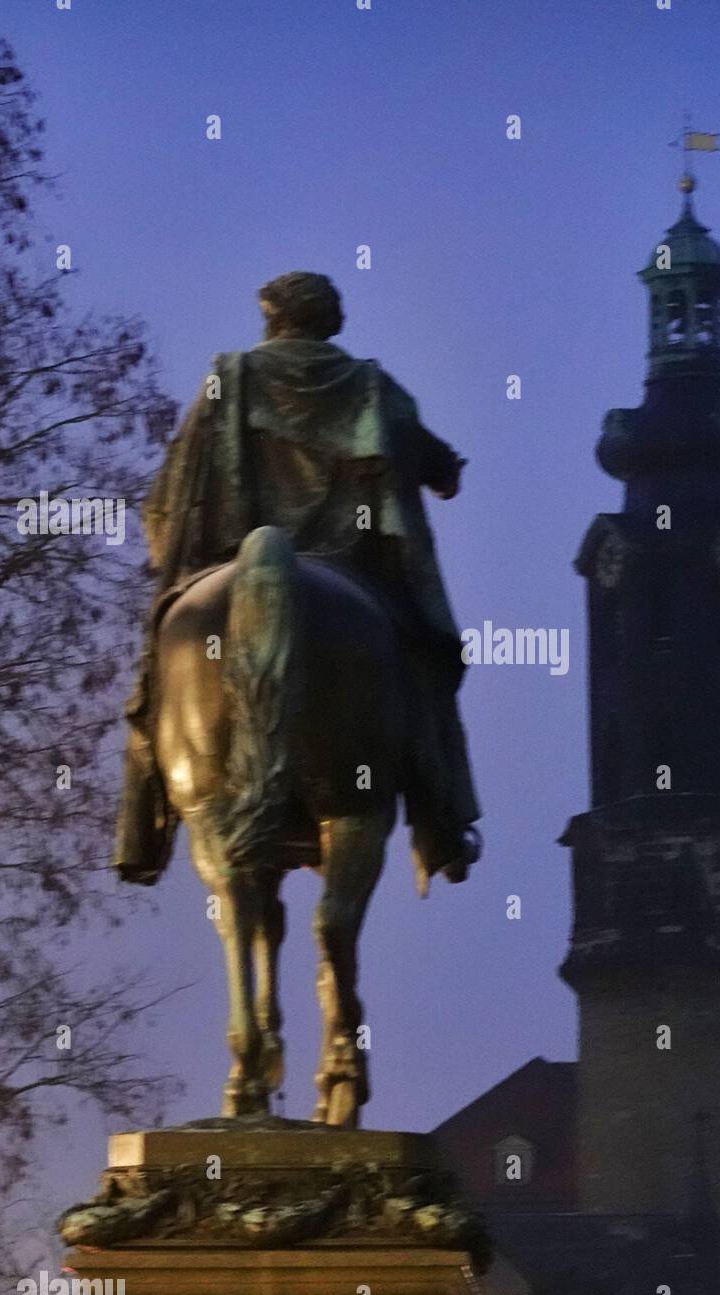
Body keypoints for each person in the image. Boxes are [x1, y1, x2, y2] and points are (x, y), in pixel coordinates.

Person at [114, 271, 481, 892]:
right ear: (330, 321)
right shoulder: (371, 386)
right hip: (354, 572)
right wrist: (437, 471)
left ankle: (140, 828)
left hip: (224, 567)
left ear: (272, 320)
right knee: (425, 671)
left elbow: (164, 504)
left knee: (157, 675)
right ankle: (441, 819)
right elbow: (439, 469)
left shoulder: (225, 379)